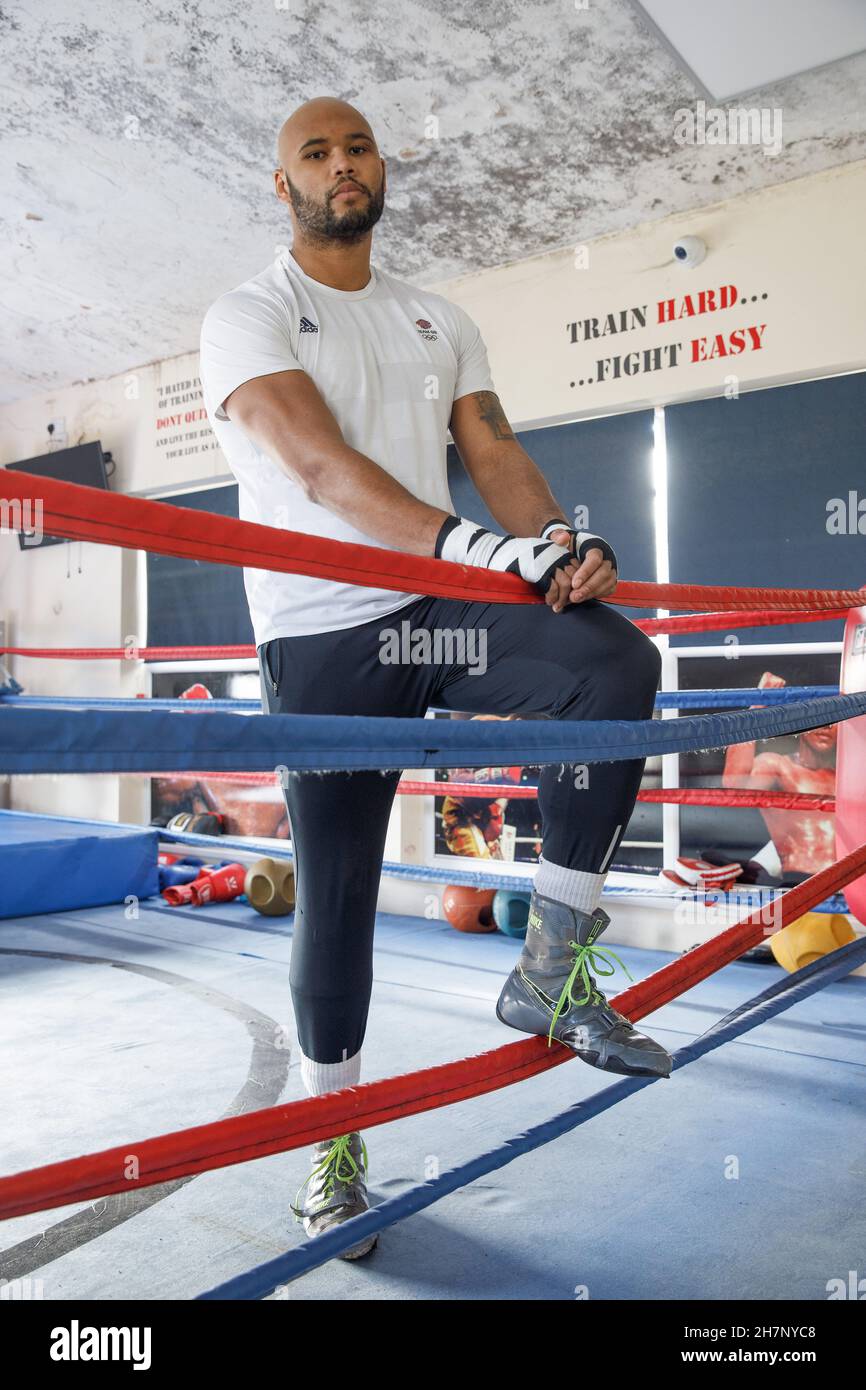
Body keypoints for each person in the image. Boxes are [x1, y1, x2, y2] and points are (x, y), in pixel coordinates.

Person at [199, 96, 669, 1261]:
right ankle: (332, 1147)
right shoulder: (250, 313)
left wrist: (553, 547)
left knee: (612, 659)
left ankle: (550, 973)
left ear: (381, 168)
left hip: (430, 619)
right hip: (320, 636)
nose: (340, 165)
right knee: (340, 887)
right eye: (314, 151)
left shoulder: (435, 317)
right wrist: (473, 548)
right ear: (283, 184)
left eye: (356, 147)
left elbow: (495, 454)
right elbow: (314, 463)